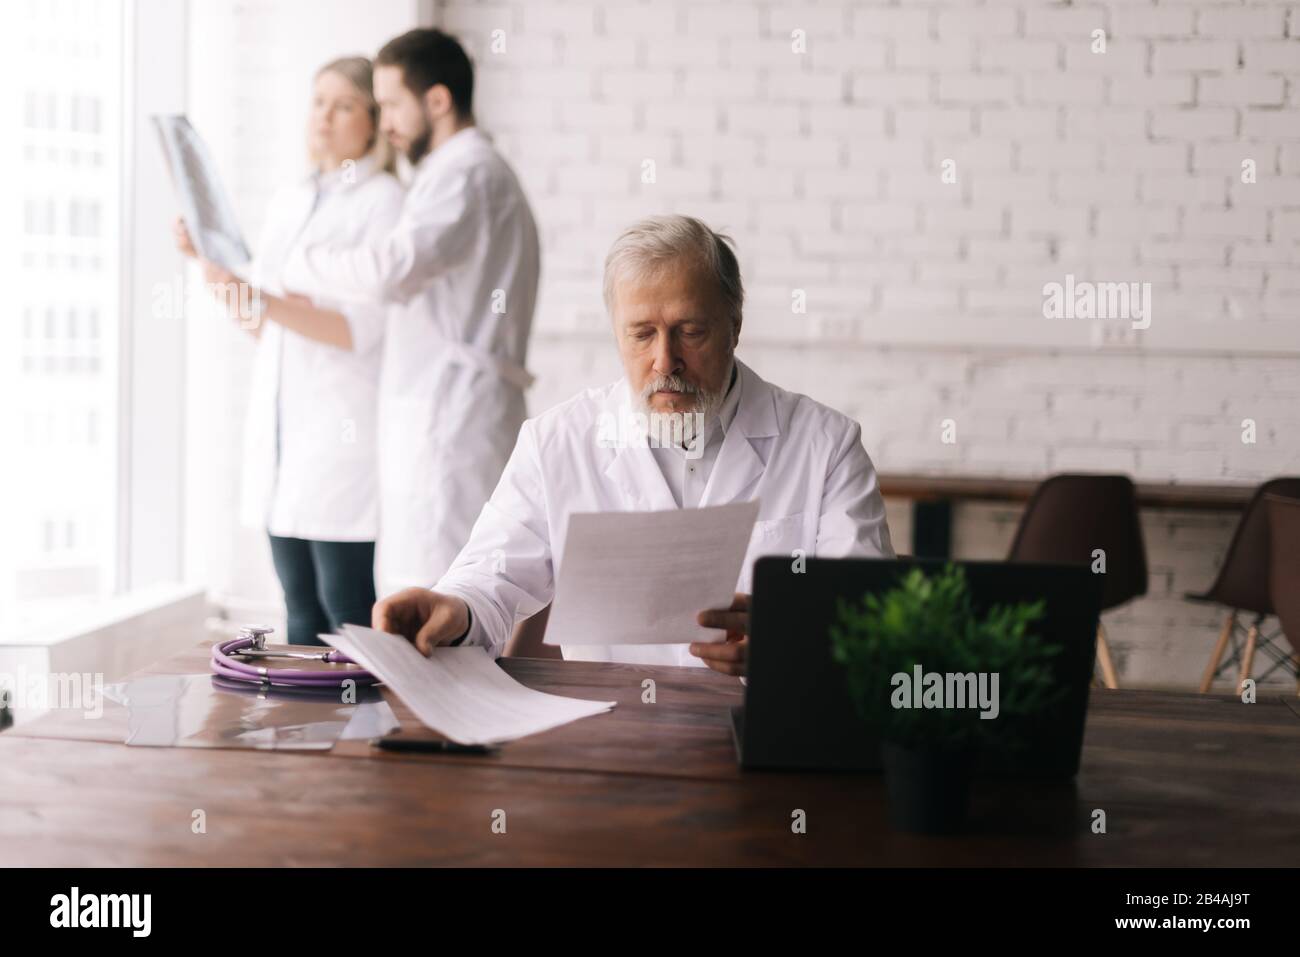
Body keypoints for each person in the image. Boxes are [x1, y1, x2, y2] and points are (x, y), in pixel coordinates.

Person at [373, 215, 895, 677]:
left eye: (690, 331)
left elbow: (871, 619)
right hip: (609, 735)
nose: (665, 362)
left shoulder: (826, 446)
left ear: (734, 326)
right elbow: (491, 577)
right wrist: (454, 607)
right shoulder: (557, 443)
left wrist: (790, 643)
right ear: (616, 333)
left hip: (766, 725)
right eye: (641, 334)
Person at [280, 28, 540, 596]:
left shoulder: (466, 173)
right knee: (446, 591)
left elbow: (391, 270)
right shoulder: (463, 174)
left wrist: (300, 261)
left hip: (451, 419)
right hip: (447, 414)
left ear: (438, 101)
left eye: (393, 104)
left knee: (441, 599)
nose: (386, 121)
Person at [175, 57, 403, 645]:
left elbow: (358, 331)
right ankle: (309, 736)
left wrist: (263, 297)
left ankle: (363, 734)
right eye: (318, 101)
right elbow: (265, 326)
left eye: (344, 104)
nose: (324, 116)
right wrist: (208, 265)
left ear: (374, 121)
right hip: (283, 441)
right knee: (298, 608)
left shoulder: (383, 202)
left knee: (346, 609)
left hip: (339, 438)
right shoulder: (292, 199)